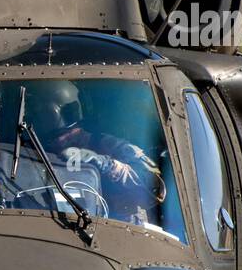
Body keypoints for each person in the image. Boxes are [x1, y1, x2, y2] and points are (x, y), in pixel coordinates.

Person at [22, 80, 166, 224]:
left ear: (56, 112)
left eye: (38, 109)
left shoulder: (107, 144)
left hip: (112, 226)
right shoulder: (28, 146)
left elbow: (155, 189)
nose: (32, 115)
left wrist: (105, 164)